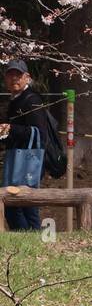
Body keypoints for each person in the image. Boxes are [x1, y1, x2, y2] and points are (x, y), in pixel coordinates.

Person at [1, 59, 60, 231]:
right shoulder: (15, 100)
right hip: (16, 157)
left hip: (29, 159)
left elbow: (38, 133)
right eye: (10, 75)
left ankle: (32, 238)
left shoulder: (32, 99)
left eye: (18, 75)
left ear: (27, 77)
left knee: (24, 203)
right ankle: (29, 238)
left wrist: (11, 128)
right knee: (16, 204)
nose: (14, 79)